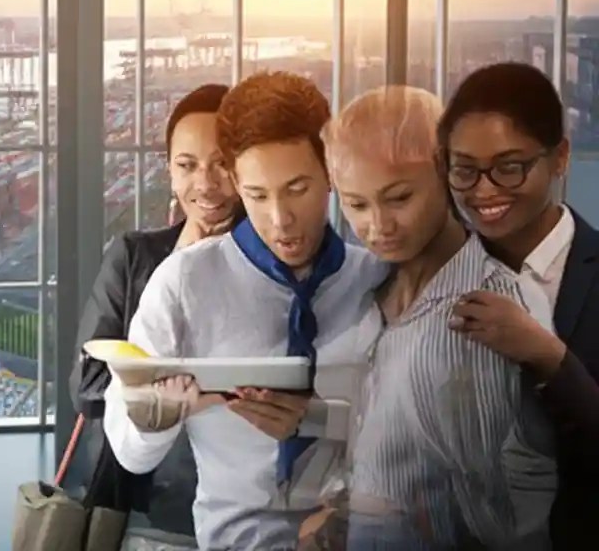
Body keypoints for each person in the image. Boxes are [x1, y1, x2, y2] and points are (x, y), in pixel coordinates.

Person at [103, 71, 389, 550]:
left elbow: (420, 440)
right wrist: (155, 418)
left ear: (332, 173)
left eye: (297, 188)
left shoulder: (377, 280)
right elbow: (129, 454)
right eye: (256, 195)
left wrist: (317, 420)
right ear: (236, 182)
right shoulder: (183, 284)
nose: (280, 219)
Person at [324, 85, 555, 549]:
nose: (377, 226)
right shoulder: (366, 291)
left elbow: (493, 506)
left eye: (399, 198)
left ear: (447, 176)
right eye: (356, 204)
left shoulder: (484, 309)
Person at [438, 62, 599, 549]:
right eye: (465, 170)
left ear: (560, 158)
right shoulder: (435, 279)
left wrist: (548, 356)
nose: (484, 190)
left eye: (509, 167)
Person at [69, 83, 240, 535]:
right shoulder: (134, 258)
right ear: (169, 170)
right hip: (136, 502)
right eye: (187, 166)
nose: (205, 184)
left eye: (223, 163)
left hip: (235, 502)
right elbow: (86, 388)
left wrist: (160, 385)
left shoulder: (273, 269)